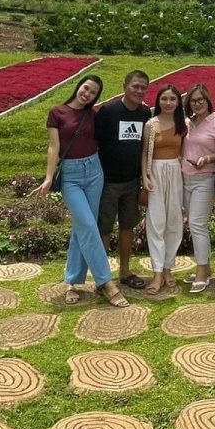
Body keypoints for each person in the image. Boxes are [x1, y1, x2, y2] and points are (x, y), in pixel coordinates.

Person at [34, 74, 128, 307]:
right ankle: (106, 282)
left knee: (82, 228)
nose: (87, 94)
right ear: (79, 86)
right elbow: (53, 146)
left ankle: (72, 282)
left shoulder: (93, 115)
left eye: (93, 92)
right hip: (71, 176)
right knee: (87, 224)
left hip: (94, 171)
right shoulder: (57, 113)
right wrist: (48, 178)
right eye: (86, 88)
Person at [94, 70, 151, 289]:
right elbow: (95, 141)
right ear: (125, 85)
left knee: (128, 227)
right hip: (108, 182)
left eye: (143, 88)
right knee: (105, 228)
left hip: (132, 182)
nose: (139, 91)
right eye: (135, 86)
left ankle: (125, 272)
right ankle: (102, 277)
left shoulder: (145, 114)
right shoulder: (108, 111)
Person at [180, 83, 215, 294]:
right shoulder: (187, 122)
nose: (198, 103)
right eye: (193, 100)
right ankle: (205, 266)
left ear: (208, 100)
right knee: (192, 224)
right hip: (185, 177)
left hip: (206, 178)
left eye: (201, 99)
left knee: (197, 224)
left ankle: (202, 271)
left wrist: (209, 158)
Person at [141, 84, 187, 295]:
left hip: (175, 172)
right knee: (156, 222)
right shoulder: (151, 124)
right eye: (164, 99)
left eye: (172, 99)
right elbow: (144, 154)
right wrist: (145, 177)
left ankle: (168, 267)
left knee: (174, 222)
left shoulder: (183, 124)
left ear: (178, 102)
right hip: (156, 173)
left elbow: (186, 152)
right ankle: (157, 272)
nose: (168, 103)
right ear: (158, 101)